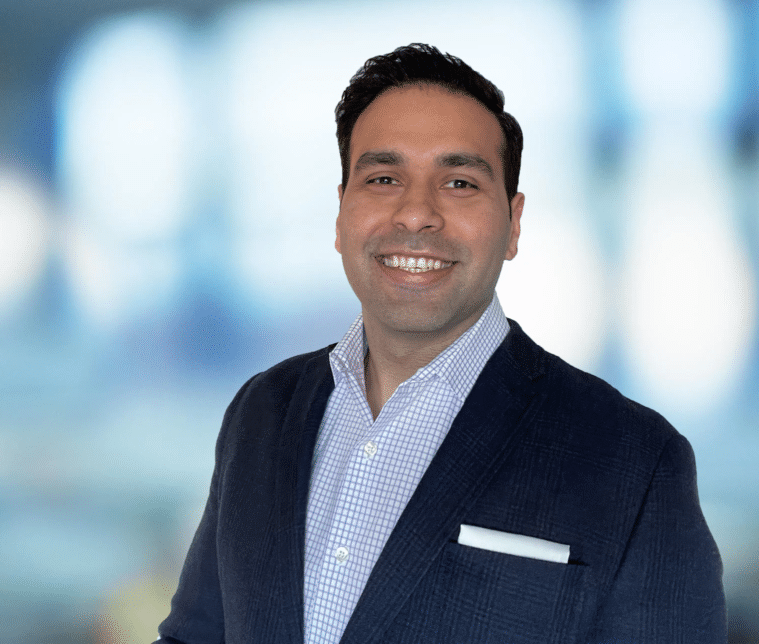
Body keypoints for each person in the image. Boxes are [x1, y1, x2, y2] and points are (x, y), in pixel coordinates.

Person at [157, 43, 725, 644]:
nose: (416, 214)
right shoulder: (263, 411)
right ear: (341, 213)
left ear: (514, 223)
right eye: (383, 179)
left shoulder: (634, 461)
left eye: (459, 182)